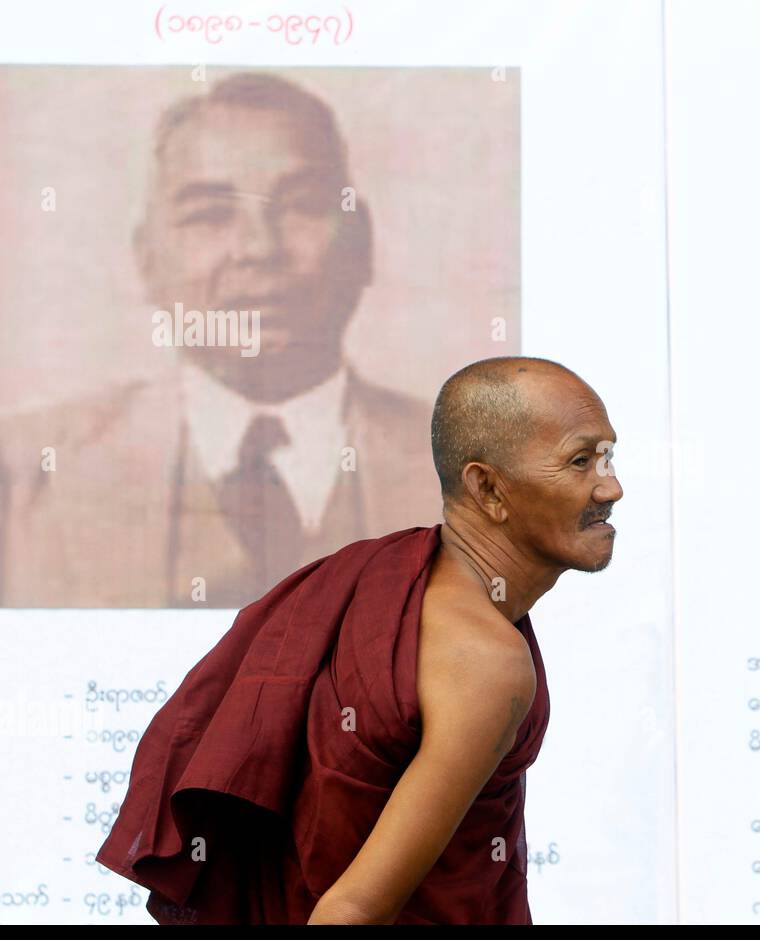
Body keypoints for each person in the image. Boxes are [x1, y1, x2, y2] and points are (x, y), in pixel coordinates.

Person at [94, 356, 622, 924]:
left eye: (607, 456)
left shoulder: (382, 580)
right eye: (579, 461)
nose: (611, 487)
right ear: (488, 487)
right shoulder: (483, 660)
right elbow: (352, 911)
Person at [0, 72, 438, 607]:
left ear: (361, 242)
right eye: (210, 214)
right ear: (147, 260)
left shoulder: (468, 470)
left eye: (300, 204)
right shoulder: (23, 474)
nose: (259, 248)